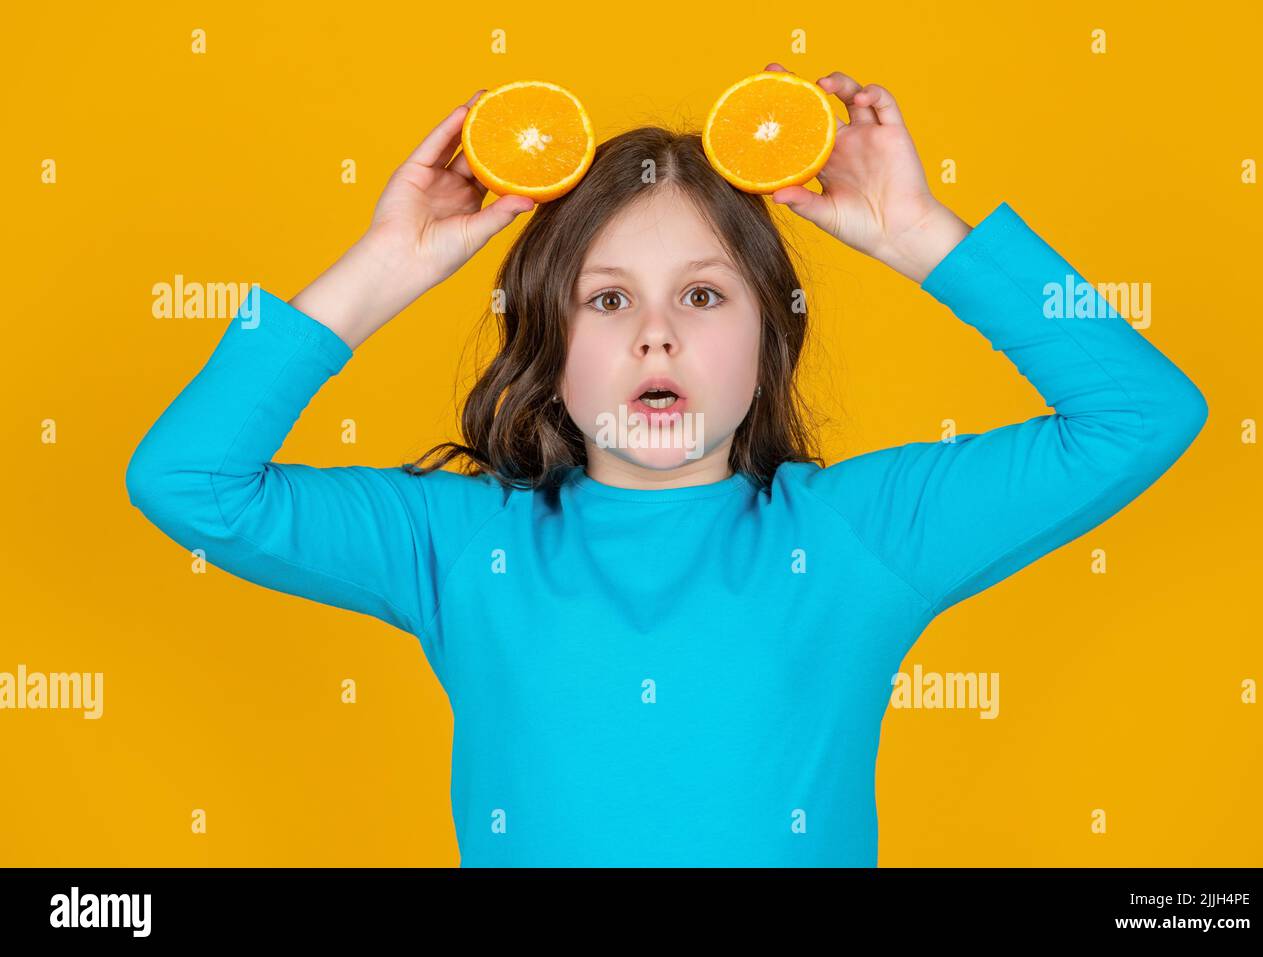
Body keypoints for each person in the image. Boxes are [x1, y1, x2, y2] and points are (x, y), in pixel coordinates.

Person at [125, 67, 1208, 867]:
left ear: (766, 339)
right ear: (549, 349)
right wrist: (387, 264)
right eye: (607, 300)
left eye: (701, 295)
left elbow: (1141, 415)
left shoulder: (854, 535)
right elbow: (189, 481)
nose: (655, 336)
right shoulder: (461, 547)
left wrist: (916, 231)